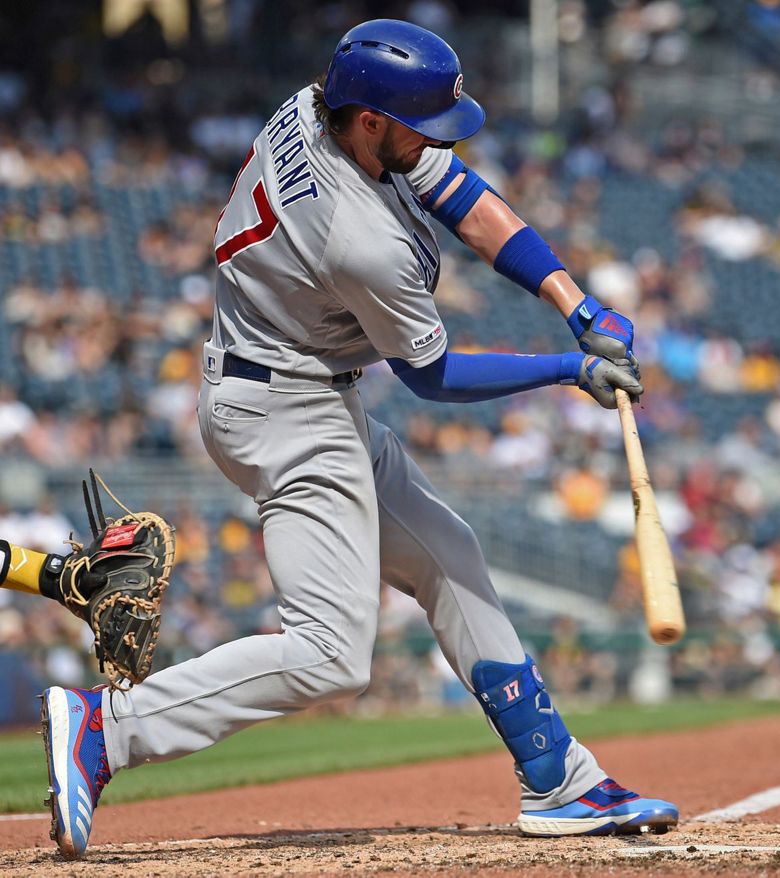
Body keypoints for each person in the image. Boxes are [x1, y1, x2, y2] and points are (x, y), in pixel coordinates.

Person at [40, 19, 675, 860]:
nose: (436, 140)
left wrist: (575, 302)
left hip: (288, 388)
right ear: (371, 121)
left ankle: (557, 778)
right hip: (286, 412)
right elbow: (431, 376)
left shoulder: (319, 109)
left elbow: (461, 197)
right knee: (331, 657)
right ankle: (106, 727)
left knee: (449, 553)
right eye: (421, 124)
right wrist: (567, 369)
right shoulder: (356, 236)